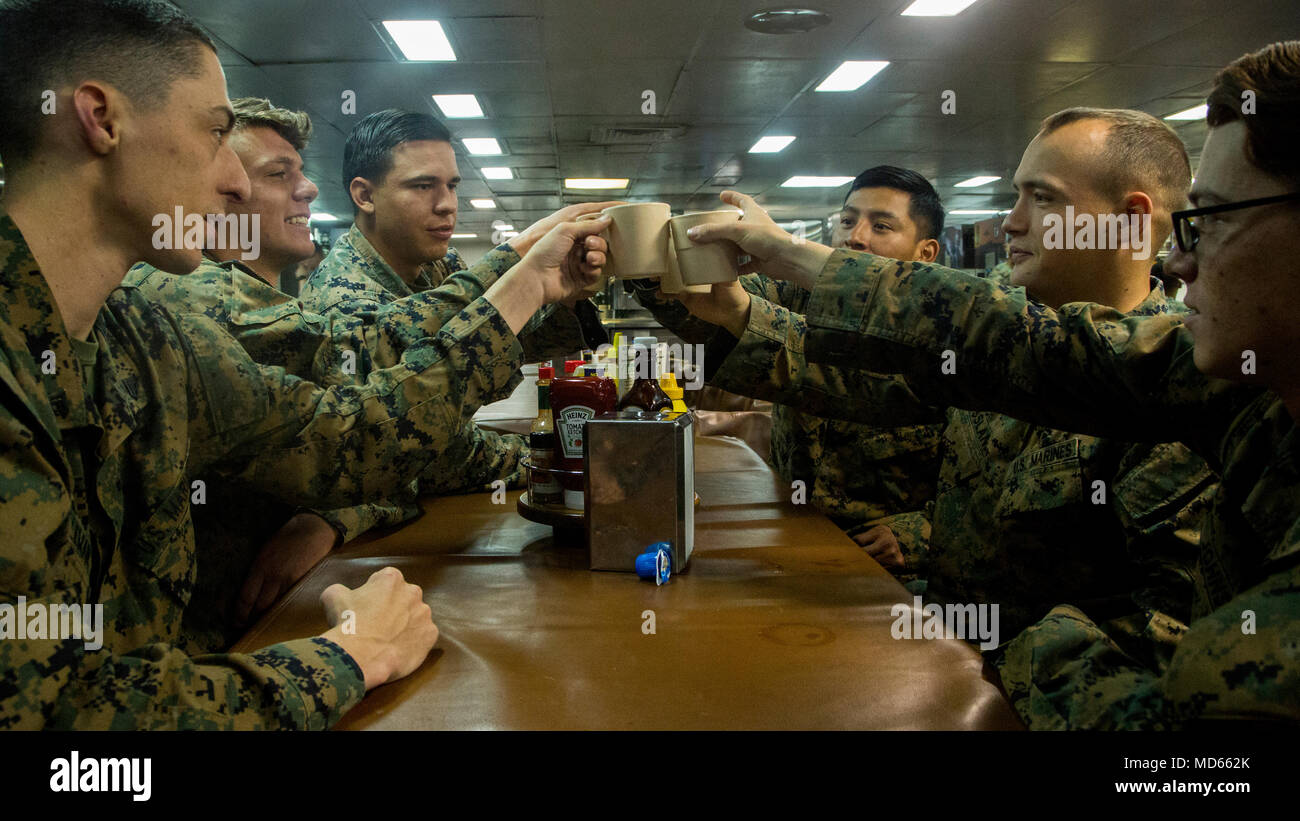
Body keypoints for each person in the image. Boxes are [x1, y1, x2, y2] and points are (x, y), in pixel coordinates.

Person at [0, 0, 609, 729]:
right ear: (101, 119)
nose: (231, 181)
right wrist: (351, 655)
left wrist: (528, 285)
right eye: (216, 133)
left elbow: (345, 435)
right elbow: (55, 722)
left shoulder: (143, 338)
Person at [683, 41, 1300, 727]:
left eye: (1209, 220)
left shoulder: (1208, 389)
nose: (1182, 259)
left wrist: (1024, 650)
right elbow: (992, 347)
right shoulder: (1198, 373)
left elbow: (1186, 727)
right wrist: (735, 304)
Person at [666, 110, 1215, 657]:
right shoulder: (991, 346)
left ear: (1131, 221)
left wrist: (997, 671)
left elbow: (1170, 649)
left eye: (1043, 198)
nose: (1009, 224)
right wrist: (731, 311)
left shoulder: (1179, 395)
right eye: (1016, 196)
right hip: (940, 655)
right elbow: (855, 381)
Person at [124, 98, 611, 645]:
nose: (307, 189)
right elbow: (381, 421)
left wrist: (544, 284)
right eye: (277, 174)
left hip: (246, 618)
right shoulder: (181, 295)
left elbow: (352, 423)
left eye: (451, 186)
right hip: (219, 634)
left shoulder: (262, 291)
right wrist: (520, 265)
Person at [626, 167, 948, 569]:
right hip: (793, 529)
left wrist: (919, 533)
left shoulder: (949, 335)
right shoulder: (803, 294)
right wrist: (654, 268)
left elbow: (985, 483)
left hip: (881, 557)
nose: (856, 237)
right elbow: (720, 304)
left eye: (881, 226)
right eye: (848, 220)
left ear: (926, 252)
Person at [300, 109, 616, 355]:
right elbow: (411, 392)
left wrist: (568, 289)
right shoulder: (340, 299)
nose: (447, 205)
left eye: (451, 186)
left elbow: (507, 341)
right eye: (423, 186)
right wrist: (520, 250)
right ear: (365, 196)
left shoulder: (441, 264)